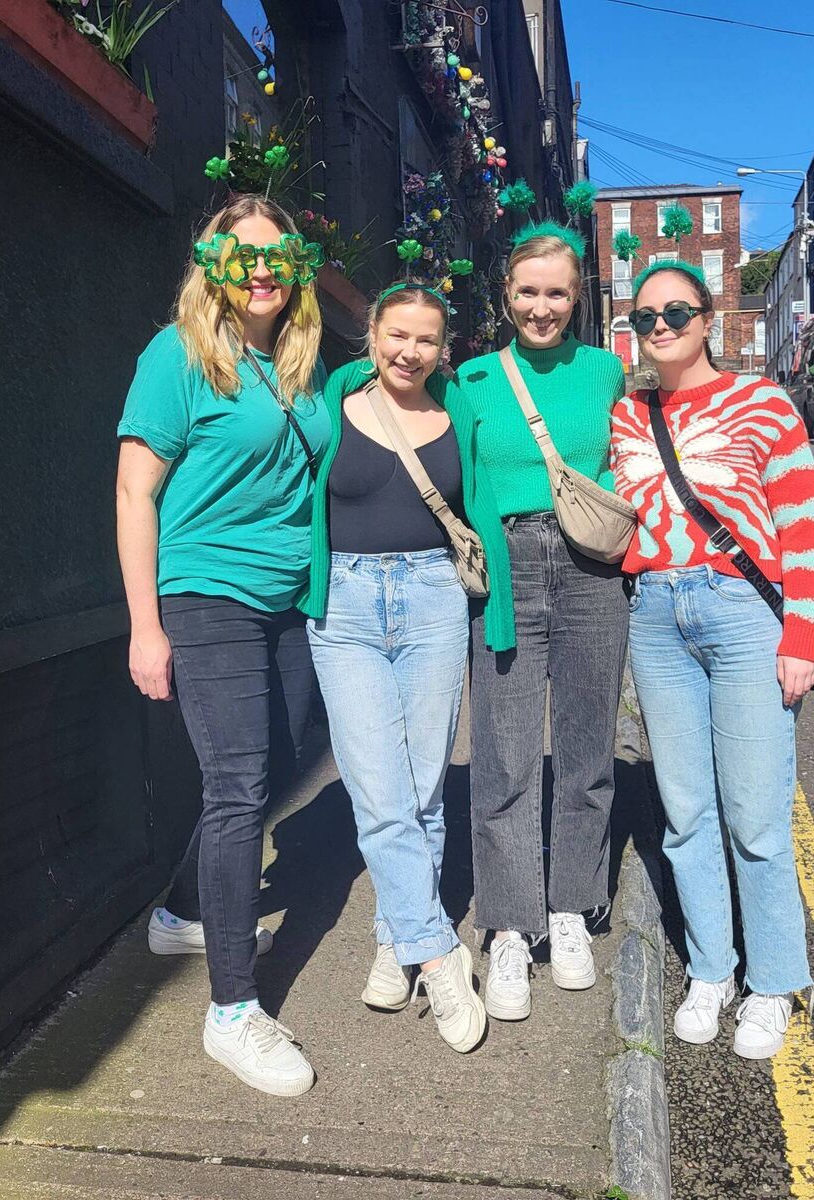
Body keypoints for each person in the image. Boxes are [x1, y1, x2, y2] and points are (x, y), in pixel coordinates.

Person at [115, 195, 330, 1096]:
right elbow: (135, 494)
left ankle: (180, 911)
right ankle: (233, 1010)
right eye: (245, 258)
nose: (265, 271)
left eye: (280, 256)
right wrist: (145, 628)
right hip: (204, 594)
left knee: (280, 762)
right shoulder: (177, 357)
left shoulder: (302, 366)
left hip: (287, 599)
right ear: (214, 265)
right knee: (239, 785)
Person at [611, 259, 814, 1060]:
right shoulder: (627, 416)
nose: (660, 328)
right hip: (655, 615)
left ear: (709, 320)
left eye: (676, 312)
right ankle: (712, 970)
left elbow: (801, 526)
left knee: (756, 815)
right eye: (646, 319)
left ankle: (773, 981)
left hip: (743, 615)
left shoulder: (763, 404)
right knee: (686, 812)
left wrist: (800, 637)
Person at [300, 282, 515, 1053]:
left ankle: (395, 939)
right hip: (347, 608)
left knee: (424, 789)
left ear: (442, 346)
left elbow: (484, 504)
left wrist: (496, 615)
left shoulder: (458, 407)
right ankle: (438, 951)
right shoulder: (336, 397)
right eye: (397, 335)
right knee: (378, 790)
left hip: (431, 599)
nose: (408, 351)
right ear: (372, 334)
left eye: (425, 340)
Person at [455, 223, 628, 1022]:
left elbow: (641, 461)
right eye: (527, 291)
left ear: (578, 296)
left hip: (594, 570)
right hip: (509, 571)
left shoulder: (606, 371)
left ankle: (571, 907)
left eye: (557, 291)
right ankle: (511, 926)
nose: (541, 306)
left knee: (588, 748)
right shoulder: (475, 378)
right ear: (506, 296)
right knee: (505, 754)